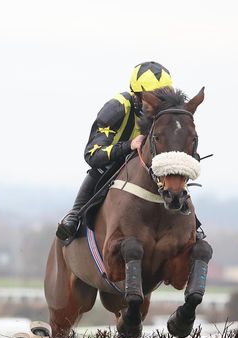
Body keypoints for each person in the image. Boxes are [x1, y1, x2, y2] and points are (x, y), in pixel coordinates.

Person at [55, 61, 204, 244]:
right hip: (115, 159)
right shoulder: (117, 107)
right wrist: (128, 146)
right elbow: (92, 155)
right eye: (152, 97)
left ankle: (192, 225)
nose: (157, 103)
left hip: (148, 163)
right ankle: (75, 215)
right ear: (137, 95)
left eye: (162, 97)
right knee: (101, 169)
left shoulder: (168, 114)